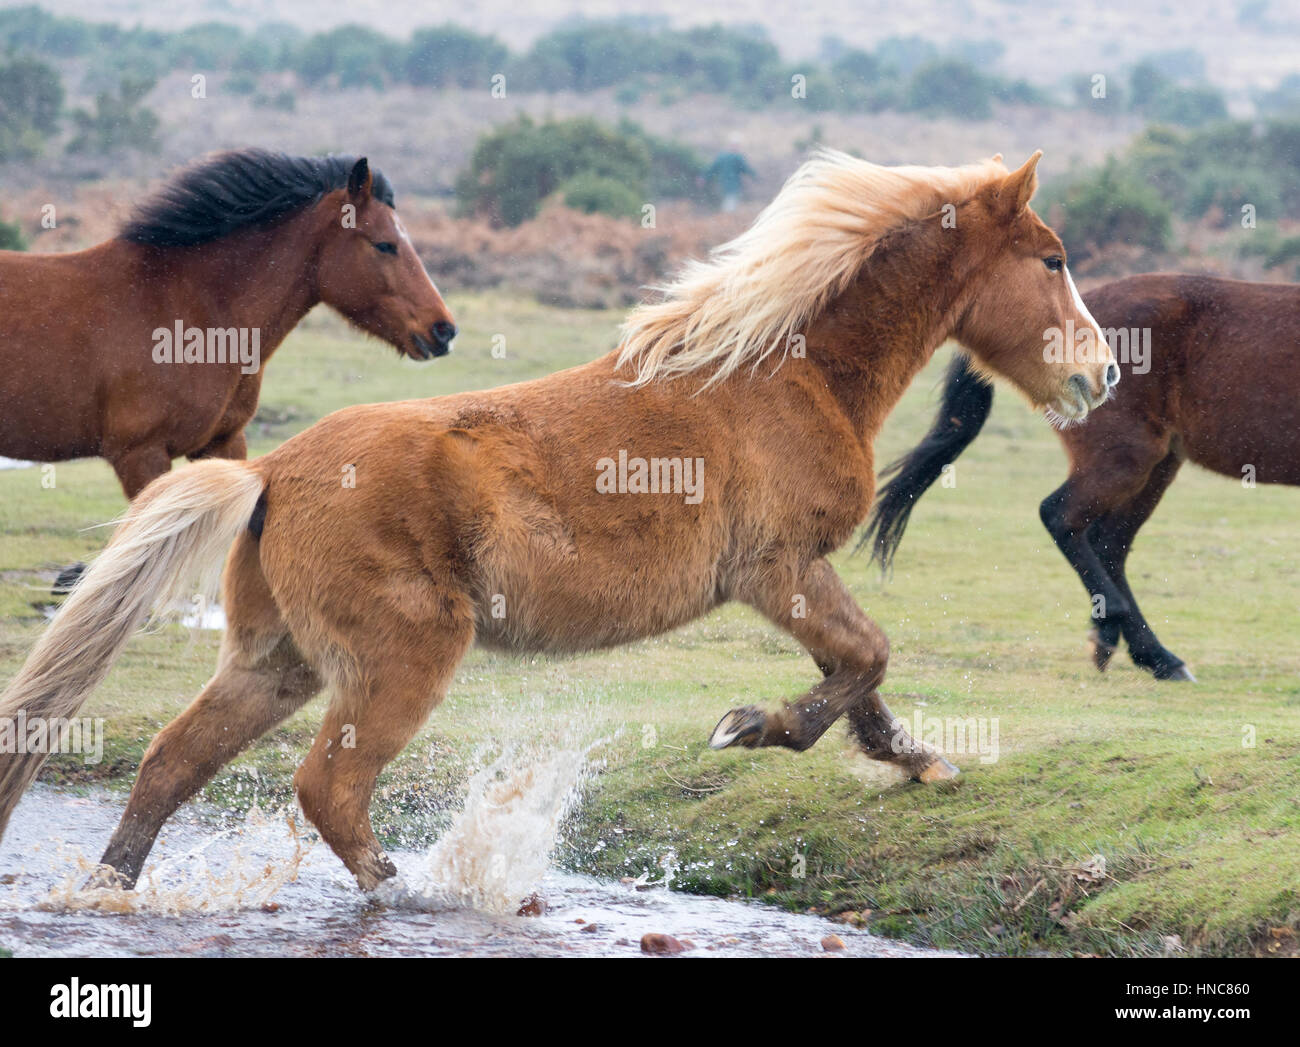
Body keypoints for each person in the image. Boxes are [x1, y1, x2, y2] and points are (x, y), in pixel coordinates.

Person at [703, 135, 755, 212]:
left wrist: (704, 177)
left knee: (727, 201)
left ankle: (724, 215)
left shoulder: (722, 156)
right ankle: (726, 216)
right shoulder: (737, 157)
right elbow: (747, 169)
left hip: (723, 184)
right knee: (730, 203)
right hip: (733, 185)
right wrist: (756, 178)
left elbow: (712, 169)